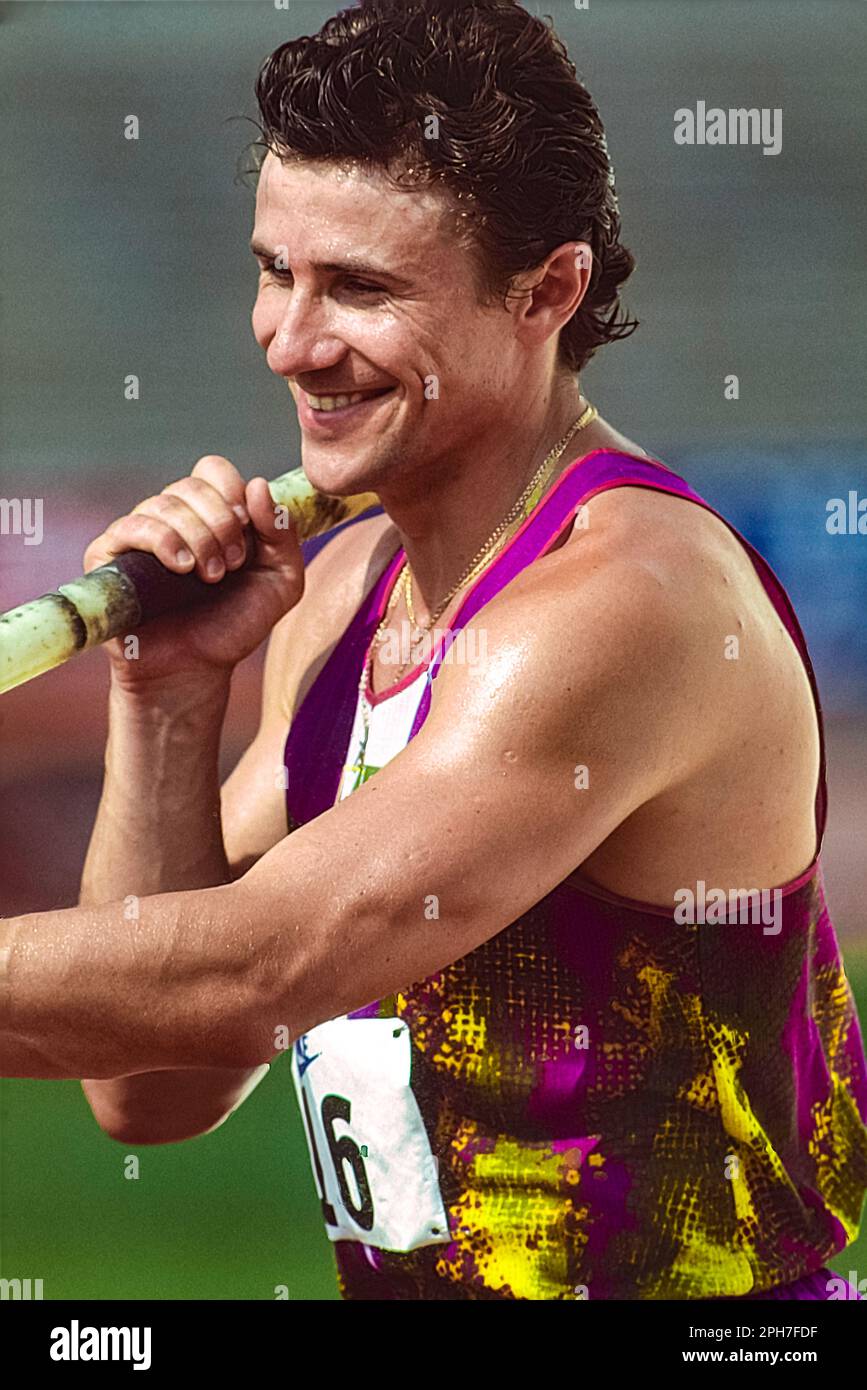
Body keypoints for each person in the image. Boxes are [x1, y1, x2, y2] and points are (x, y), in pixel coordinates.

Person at [2, 0, 866, 1300]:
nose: (290, 341)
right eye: (274, 269)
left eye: (359, 287)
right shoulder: (343, 595)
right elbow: (149, 1078)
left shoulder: (630, 599)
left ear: (550, 289)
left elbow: (255, 967)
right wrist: (168, 697)